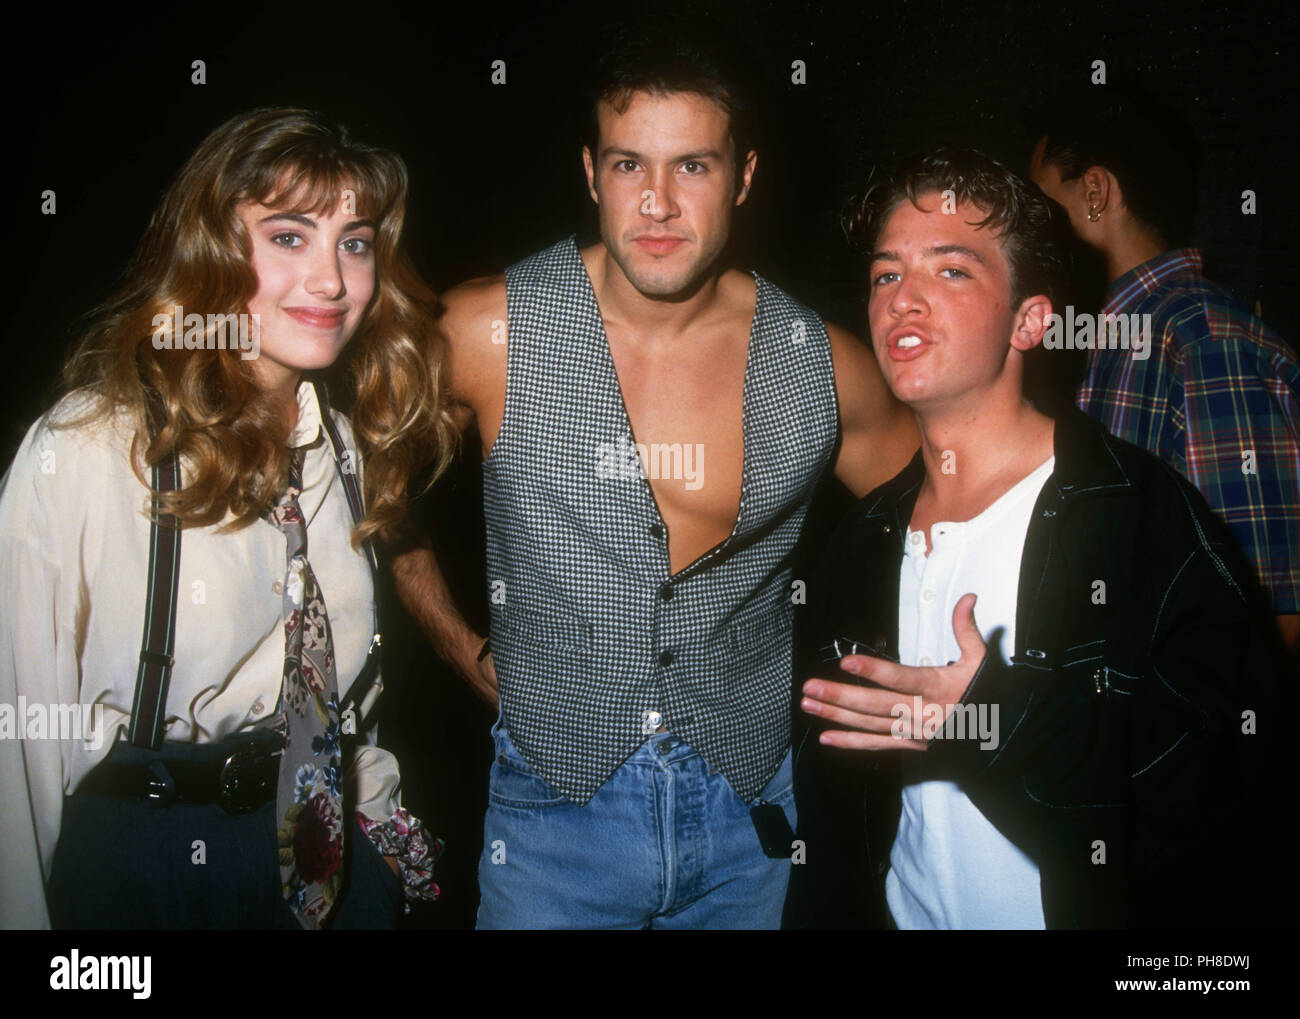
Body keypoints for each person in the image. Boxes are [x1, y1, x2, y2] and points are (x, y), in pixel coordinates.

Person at [391, 24, 919, 928]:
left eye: (695, 168)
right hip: (551, 815)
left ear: (744, 177)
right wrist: (455, 642)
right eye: (631, 165)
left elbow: (940, 510)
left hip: (750, 816)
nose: (659, 204)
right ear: (591, 173)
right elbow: (373, 489)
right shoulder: (487, 332)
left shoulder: (823, 364)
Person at [785, 147, 1289, 930]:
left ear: (1031, 319)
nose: (903, 300)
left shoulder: (1142, 521)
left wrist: (1005, 721)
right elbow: (837, 834)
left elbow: (1220, 805)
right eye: (887, 274)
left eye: (951, 271)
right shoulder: (858, 543)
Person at [0, 108, 457, 929]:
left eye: (354, 242)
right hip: (152, 864)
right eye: (288, 237)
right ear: (211, 249)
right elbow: (13, 754)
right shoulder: (91, 446)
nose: (330, 281)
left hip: (325, 864)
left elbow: (347, 696)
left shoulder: (344, 447)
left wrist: (382, 828)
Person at [1027, 87, 1300, 656]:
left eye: (1040, 208)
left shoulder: (1203, 341)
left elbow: (1273, 616)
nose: (1026, 235)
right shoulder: (1099, 338)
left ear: (1096, 194)